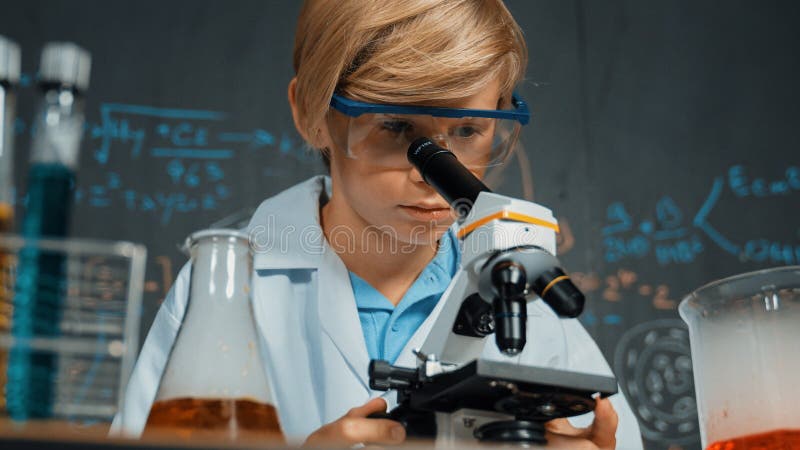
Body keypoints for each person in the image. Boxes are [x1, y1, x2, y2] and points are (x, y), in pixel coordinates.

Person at [112, 1, 643, 448]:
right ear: (312, 114)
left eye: (468, 129)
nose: (436, 177)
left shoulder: (517, 288)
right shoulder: (229, 288)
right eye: (394, 127)